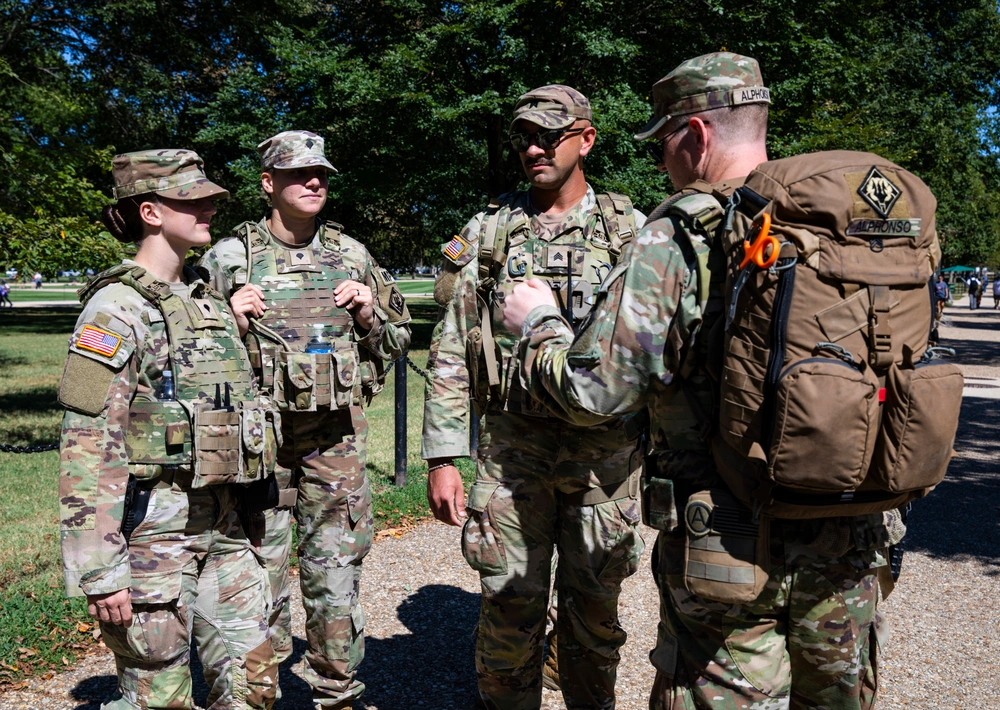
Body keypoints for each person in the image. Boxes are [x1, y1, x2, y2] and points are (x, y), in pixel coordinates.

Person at [504, 53, 907, 710]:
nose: (663, 159)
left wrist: (540, 322)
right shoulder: (834, 220)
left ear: (694, 134)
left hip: (729, 544)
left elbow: (595, 394)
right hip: (853, 536)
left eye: (664, 141)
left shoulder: (684, 228)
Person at [423, 84, 646, 710]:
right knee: (507, 612)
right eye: (525, 136)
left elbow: (652, 348)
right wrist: (444, 456)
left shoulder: (629, 230)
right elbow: (450, 345)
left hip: (604, 457)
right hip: (513, 453)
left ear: (587, 139)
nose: (533, 148)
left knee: (595, 616)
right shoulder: (491, 230)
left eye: (550, 135)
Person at [58, 149, 277, 709]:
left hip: (227, 525)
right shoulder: (114, 310)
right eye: (192, 199)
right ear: (151, 212)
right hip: (154, 536)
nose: (209, 207)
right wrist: (100, 568)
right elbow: (89, 444)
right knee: (161, 698)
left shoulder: (206, 298)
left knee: (255, 684)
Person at [199, 130, 411, 708]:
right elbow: (187, 361)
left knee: (335, 580)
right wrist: (230, 323)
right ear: (269, 183)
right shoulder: (229, 258)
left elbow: (396, 343)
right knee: (255, 581)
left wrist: (370, 315)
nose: (314, 182)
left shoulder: (352, 256)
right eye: (298, 174)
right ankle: (255, 695)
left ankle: (337, 693)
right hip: (258, 452)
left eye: (320, 173)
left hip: (334, 446)